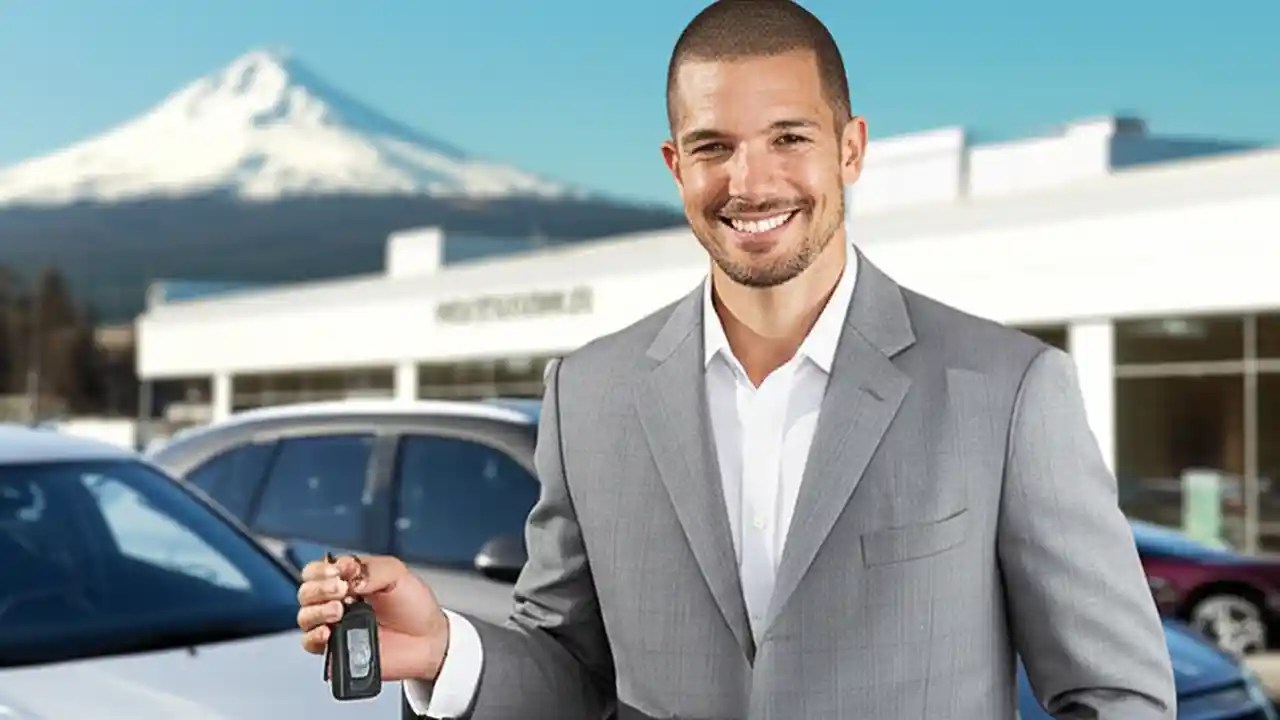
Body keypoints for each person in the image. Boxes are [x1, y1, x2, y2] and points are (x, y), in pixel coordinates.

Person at [295, 1, 1177, 717]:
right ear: (677, 166)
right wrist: (447, 651)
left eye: (789, 137)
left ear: (851, 148)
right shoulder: (589, 394)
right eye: (714, 146)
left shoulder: (1009, 390)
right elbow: (571, 669)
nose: (750, 183)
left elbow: (1119, 695)